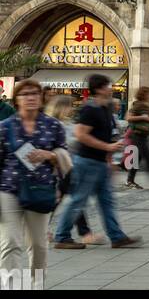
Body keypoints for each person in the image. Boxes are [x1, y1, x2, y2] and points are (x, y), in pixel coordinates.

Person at [53, 73, 140, 250]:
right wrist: (107, 148)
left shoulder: (104, 108)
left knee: (106, 201)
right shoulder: (89, 109)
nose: (111, 88)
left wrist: (110, 161)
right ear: (99, 89)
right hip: (86, 161)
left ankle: (117, 236)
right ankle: (62, 236)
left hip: (99, 163)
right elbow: (80, 134)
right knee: (78, 200)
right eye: (108, 85)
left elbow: (106, 136)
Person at [0, 79, 65, 276]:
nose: (30, 97)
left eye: (34, 93)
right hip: (9, 189)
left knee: (38, 245)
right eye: (25, 94)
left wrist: (51, 155)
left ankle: (34, 286)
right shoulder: (5, 127)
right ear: (16, 99)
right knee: (11, 242)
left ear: (41, 98)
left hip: (40, 189)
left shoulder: (53, 125)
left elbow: (65, 155)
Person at [46, 94, 100, 244]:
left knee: (70, 200)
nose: (72, 108)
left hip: (70, 166)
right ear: (61, 107)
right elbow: (64, 145)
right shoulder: (54, 124)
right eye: (70, 105)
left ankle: (45, 230)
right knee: (75, 199)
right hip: (61, 168)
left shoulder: (68, 123)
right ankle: (84, 233)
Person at [125, 86, 149, 189]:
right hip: (137, 135)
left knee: (138, 158)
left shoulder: (146, 106)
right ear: (144, 94)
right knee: (146, 157)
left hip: (143, 135)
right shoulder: (138, 105)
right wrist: (144, 118)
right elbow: (128, 117)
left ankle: (130, 180)